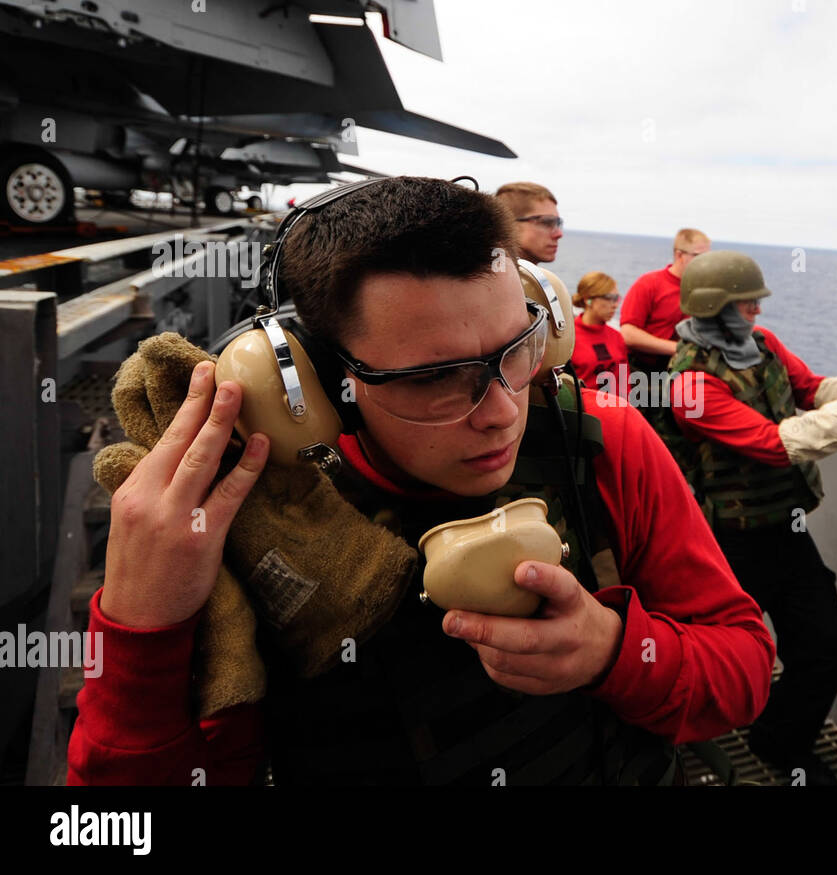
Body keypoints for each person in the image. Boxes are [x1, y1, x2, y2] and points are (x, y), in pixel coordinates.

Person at [66, 178, 774, 786]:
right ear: (318, 388)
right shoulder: (240, 518)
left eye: (518, 347)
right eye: (434, 377)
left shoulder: (602, 439)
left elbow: (744, 667)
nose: (501, 414)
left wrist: (615, 651)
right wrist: (142, 627)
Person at [662, 250, 837, 786]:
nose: (756, 309)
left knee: (825, 651)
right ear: (717, 308)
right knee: (717, 661)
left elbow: (813, 389)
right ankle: (678, 753)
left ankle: (779, 741)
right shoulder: (689, 382)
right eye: (746, 301)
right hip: (727, 544)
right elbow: (775, 444)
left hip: (785, 531)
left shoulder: (764, 345)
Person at [619, 228, 710, 380]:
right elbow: (628, 334)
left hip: (685, 372)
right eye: (698, 256)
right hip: (643, 372)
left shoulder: (706, 290)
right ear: (679, 255)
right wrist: (678, 348)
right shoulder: (649, 284)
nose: (706, 263)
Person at [569, 271, 629, 390]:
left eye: (616, 298)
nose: (615, 305)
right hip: (583, 406)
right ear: (588, 300)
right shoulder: (568, 337)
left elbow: (624, 384)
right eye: (609, 298)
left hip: (616, 406)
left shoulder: (616, 336)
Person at [495, 181, 563, 263]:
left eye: (557, 223)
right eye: (546, 222)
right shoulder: (484, 275)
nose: (559, 234)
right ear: (509, 225)